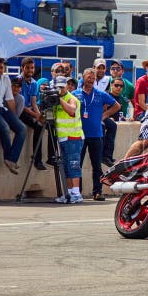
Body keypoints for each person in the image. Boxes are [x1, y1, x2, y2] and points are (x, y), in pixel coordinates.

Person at [73, 68, 120, 201]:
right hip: (79, 134)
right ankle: (78, 192)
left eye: (93, 77)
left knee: (97, 166)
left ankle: (97, 192)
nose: (91, 79)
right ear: (83, 77)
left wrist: (104, 115)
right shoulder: (75, 94)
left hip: (96, 134)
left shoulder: (100, 94)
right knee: (78, 165)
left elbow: (116, 106)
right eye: (89, 76)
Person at [51, 76, 84, 204]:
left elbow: (72, 110)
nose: (60, 89)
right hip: (63, 137)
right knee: (66, 167)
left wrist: (59, 100)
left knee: (73, 165)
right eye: (57, 87)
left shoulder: (71, 98)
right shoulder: (55, 99)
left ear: (66, 86)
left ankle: (76, 193)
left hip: (73, 136)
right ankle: (69, 193)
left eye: (62, 86)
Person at [16, 57, 48, 171]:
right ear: (22, 68)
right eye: (28, 68)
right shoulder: (18, 80)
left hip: (29, 109)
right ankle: (37, 159)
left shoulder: (34, 83)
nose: (30, 70)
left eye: (32, 68)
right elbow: (22, 105)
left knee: (45, 124)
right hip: (19, 110)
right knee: (38, 127)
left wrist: (39, 115)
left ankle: (48, 157)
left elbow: (33, 102)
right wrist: (36, 116)